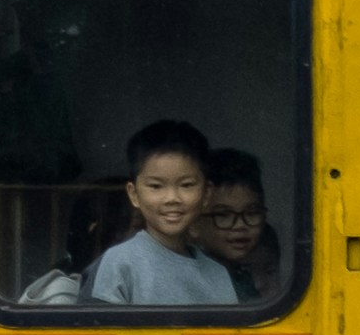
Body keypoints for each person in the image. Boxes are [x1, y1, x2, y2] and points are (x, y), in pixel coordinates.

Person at [86, 117, 243, 310]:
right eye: (156, 186)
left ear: (206, 194)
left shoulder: (218, 275)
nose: (172, 198)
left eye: (186, 185)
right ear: (134, 194)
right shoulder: (119, 264)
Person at [199, 147, 280, 301]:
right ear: (194, 223)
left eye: (252, 213)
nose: (240, 225)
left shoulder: (244, 277)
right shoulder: (190, 278)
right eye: (223, 215)